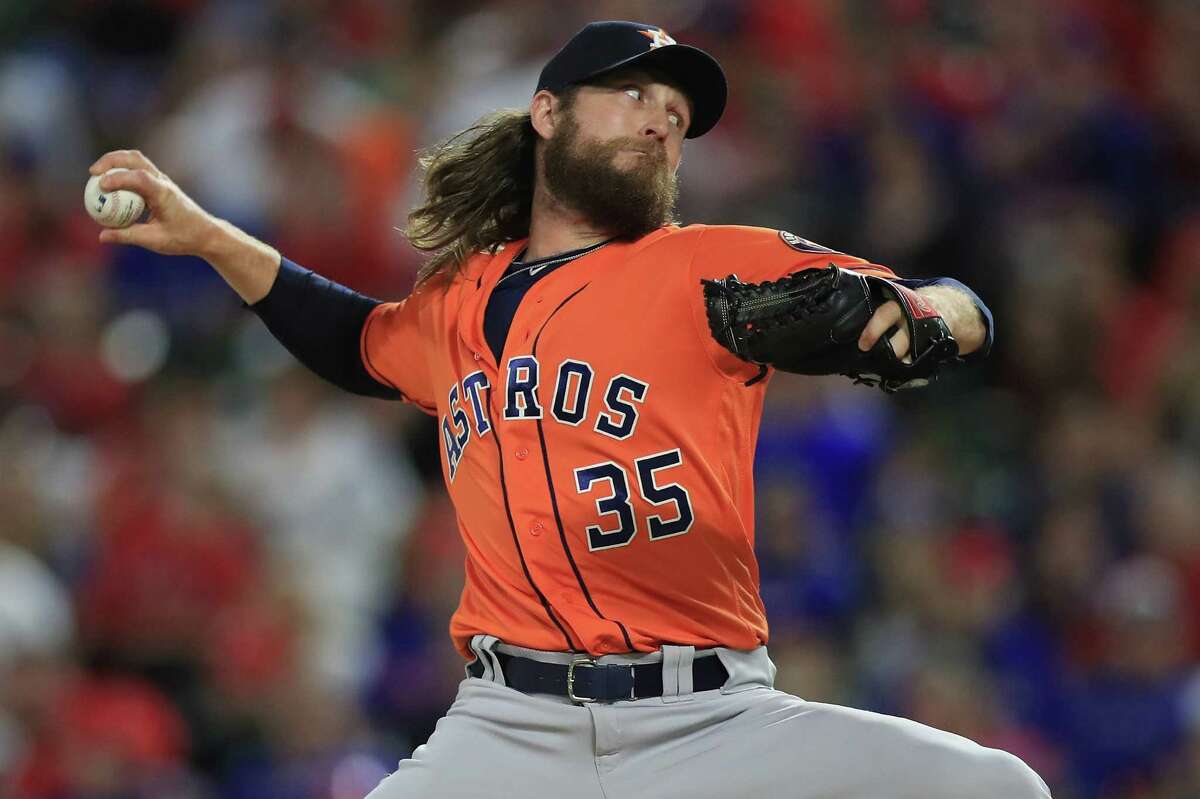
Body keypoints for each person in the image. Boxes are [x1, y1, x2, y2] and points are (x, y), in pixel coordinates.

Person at [90, 19, 1050, 799]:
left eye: (676, 112)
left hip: (711, 718)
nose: (661, 119)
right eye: (633, 94)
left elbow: (956, 306)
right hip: (507, 728)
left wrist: (926, 317)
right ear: (547, 112)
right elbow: (355, 342)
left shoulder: (709, 264)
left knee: (998, 788)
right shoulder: (458, 300)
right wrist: (209, 236)